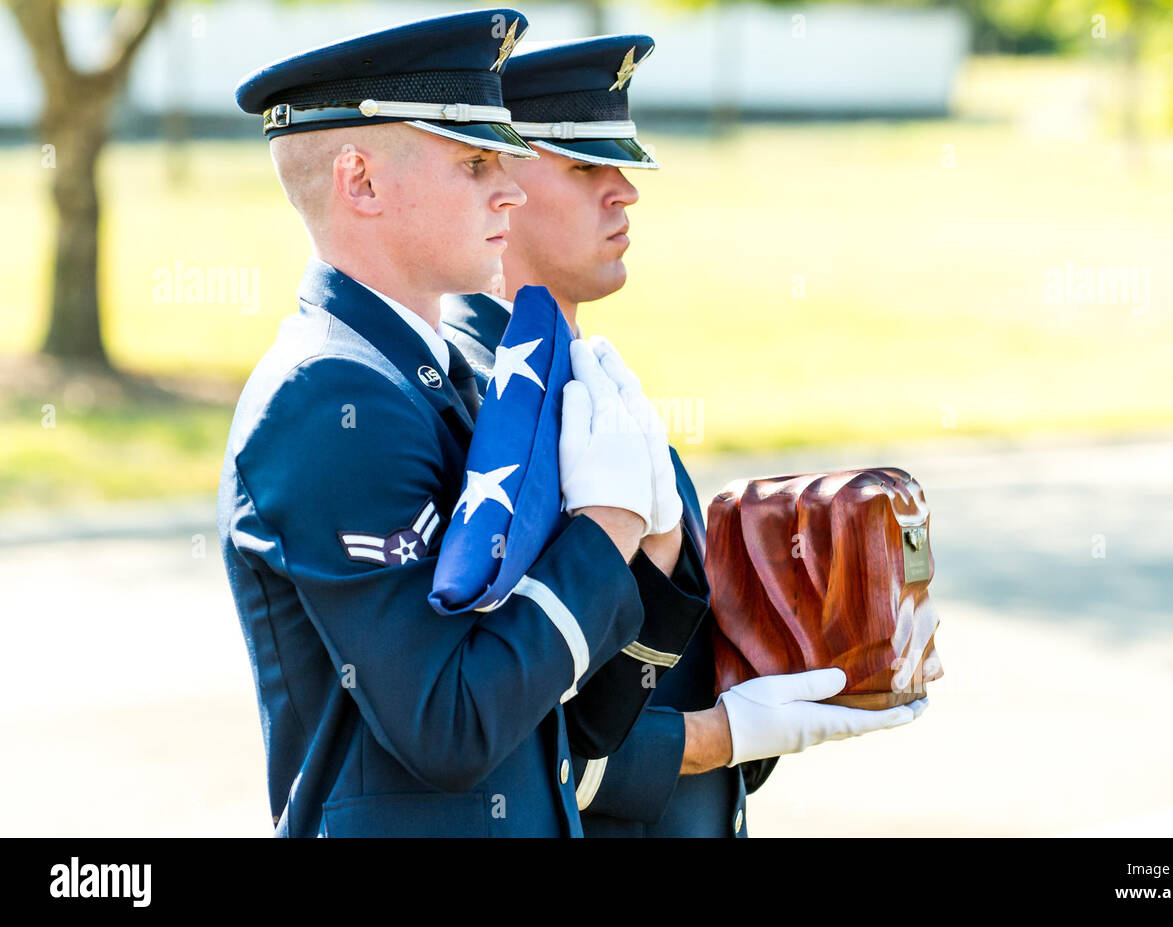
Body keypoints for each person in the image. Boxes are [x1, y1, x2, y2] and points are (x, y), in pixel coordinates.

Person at [440, 34, 941, 837]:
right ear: (494, 181)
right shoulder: (469, 404)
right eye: (585, 167)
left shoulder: (595, 381)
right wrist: (719, 737)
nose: (625, 192)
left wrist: (818, 648)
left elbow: (667, 663)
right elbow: (500, 736)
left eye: (619, 164)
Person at [217, 11, 692, 837]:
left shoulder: (443, 376)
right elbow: (452, 726)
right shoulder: (329, 397)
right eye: (475, 162)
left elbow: (567, 725)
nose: (510, 187)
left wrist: (657, 544)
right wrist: (606, 527)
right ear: (361, 182)